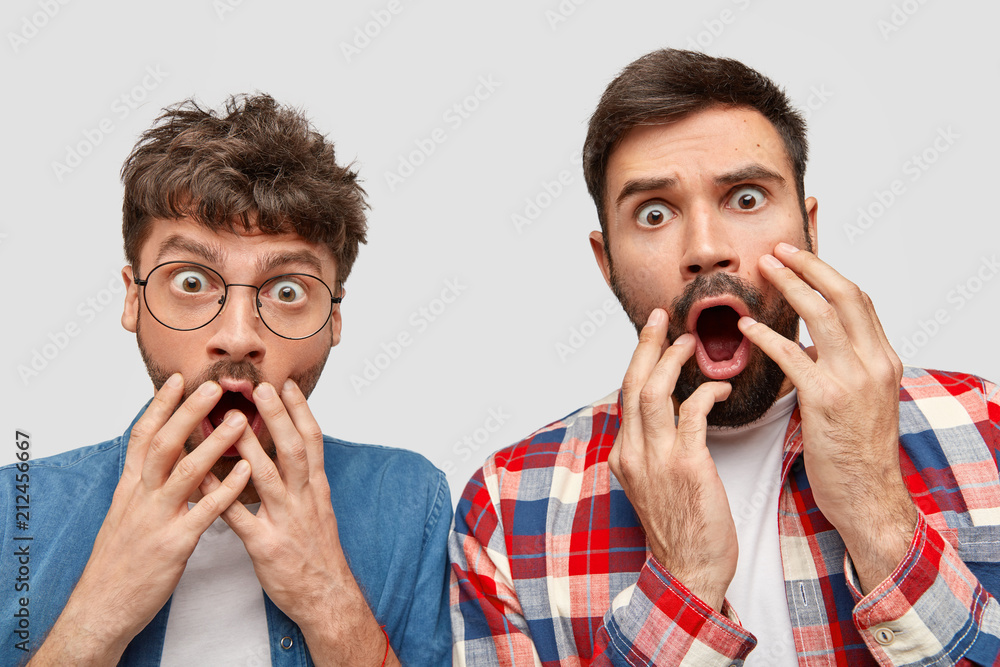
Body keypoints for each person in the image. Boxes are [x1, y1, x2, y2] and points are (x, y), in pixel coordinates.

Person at [449, 49, 1000, 666]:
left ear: (808, 229)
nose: (706, 249)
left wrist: (877, 514)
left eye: (745, 199)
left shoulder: (985, 424)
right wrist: (683, 581)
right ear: (607, 266)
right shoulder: (508, 507)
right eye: (654, 214)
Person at [0, 94, 451, 666]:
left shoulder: (410, 502)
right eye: (191, 281)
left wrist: (325, 600)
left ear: (334, 318)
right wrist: (99, 614)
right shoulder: (15, 508)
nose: (238, 337)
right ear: (133, 298)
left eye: (288, 292)